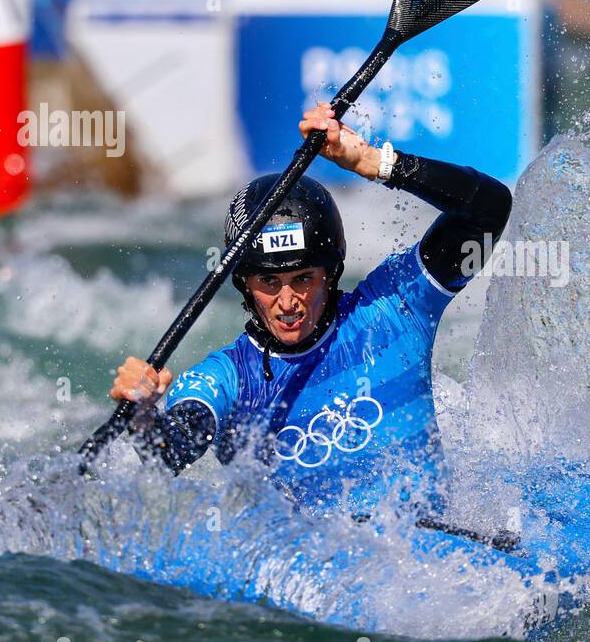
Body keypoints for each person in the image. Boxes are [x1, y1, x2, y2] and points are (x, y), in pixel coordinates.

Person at [108, 103, 511, 516]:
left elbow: (489, 209)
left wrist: (374, 162)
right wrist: (142, 416)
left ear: (331, 272)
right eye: (268, 282)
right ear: (244, 285)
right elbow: (169, 454)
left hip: (433, 562)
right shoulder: (226, 377)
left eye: (303, 278)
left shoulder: (396, 307)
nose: (287, 302)